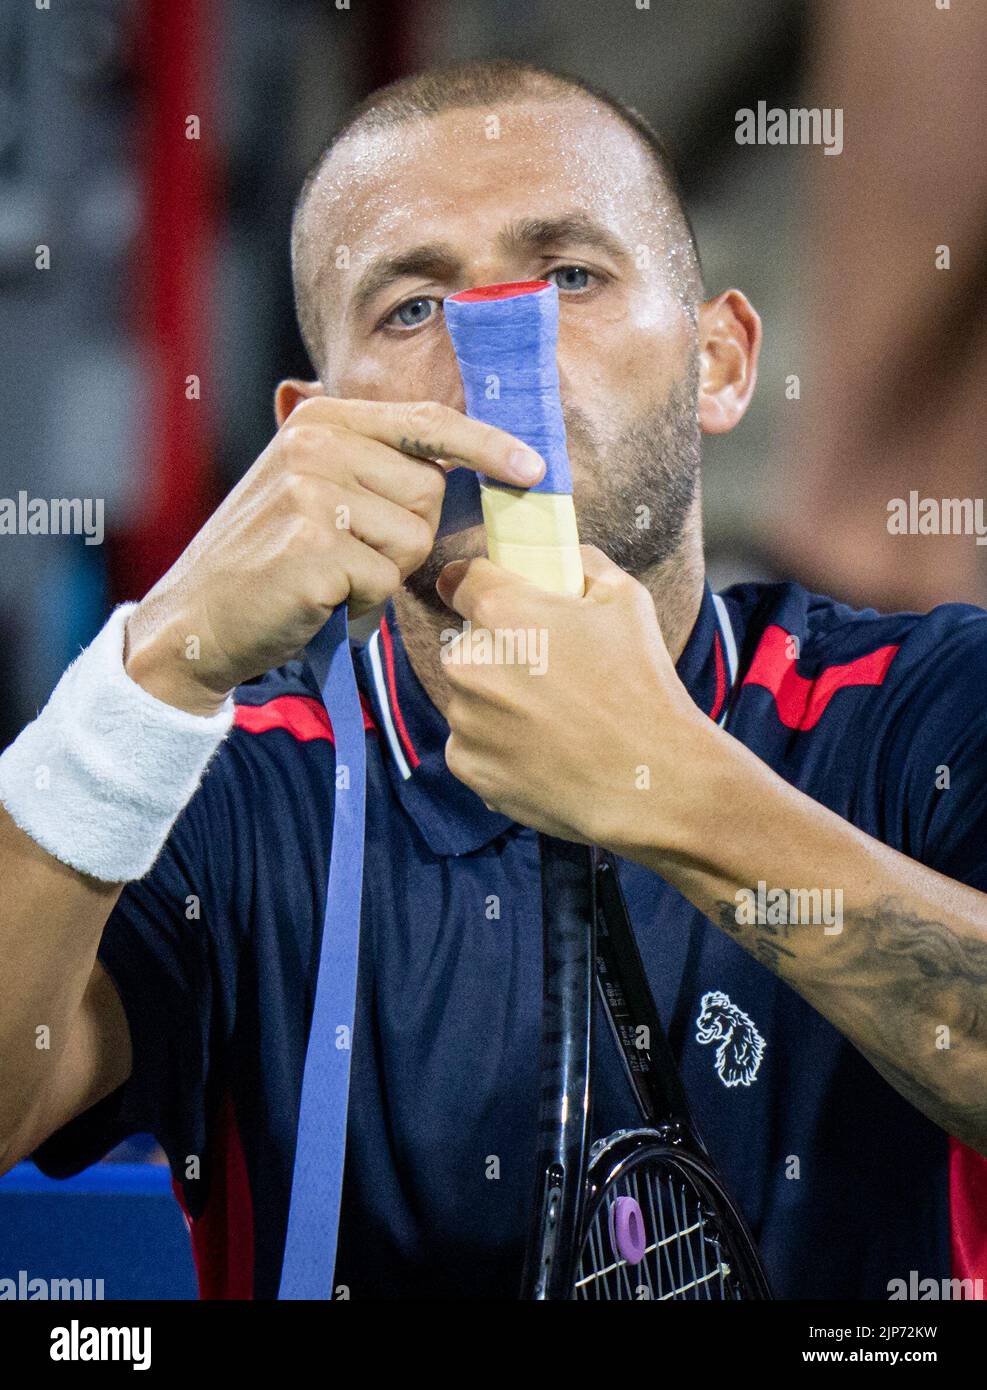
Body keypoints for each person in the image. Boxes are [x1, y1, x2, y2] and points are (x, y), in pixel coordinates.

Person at [2, 61, 986, 1301]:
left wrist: (667, 787)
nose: (496, 351)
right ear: (312, 424)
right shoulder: (233, 785)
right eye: (413, 307)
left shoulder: (924, 707)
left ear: (721, 361)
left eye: (571, 275)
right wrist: (151, 673)